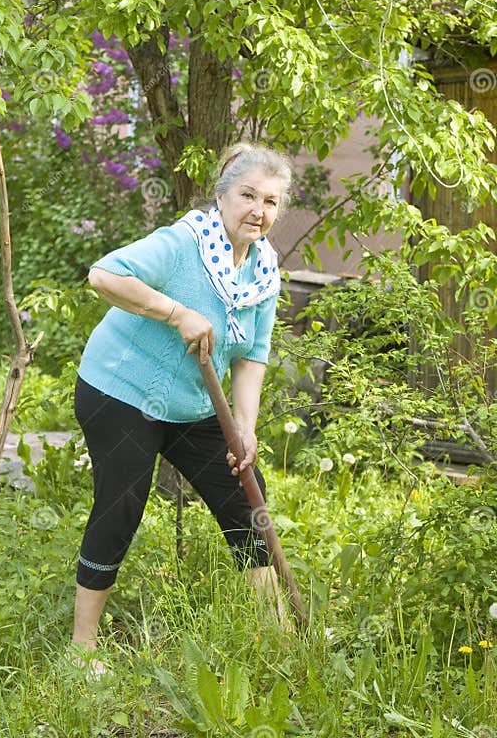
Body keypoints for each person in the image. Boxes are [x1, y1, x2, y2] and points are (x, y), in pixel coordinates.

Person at [69, 142, 294, 674]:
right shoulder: (181, 244)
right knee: (121, 503)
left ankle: (283, 640)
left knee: (245, 497)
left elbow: (253, 355)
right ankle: (82, 650)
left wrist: (245, 426)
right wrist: (176, 313)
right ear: (222, 195)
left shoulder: (264, 271)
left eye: (270, 201)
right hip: (121, 390)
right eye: (247, 195)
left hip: (194, 405)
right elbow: (103, 275)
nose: (258, 211)